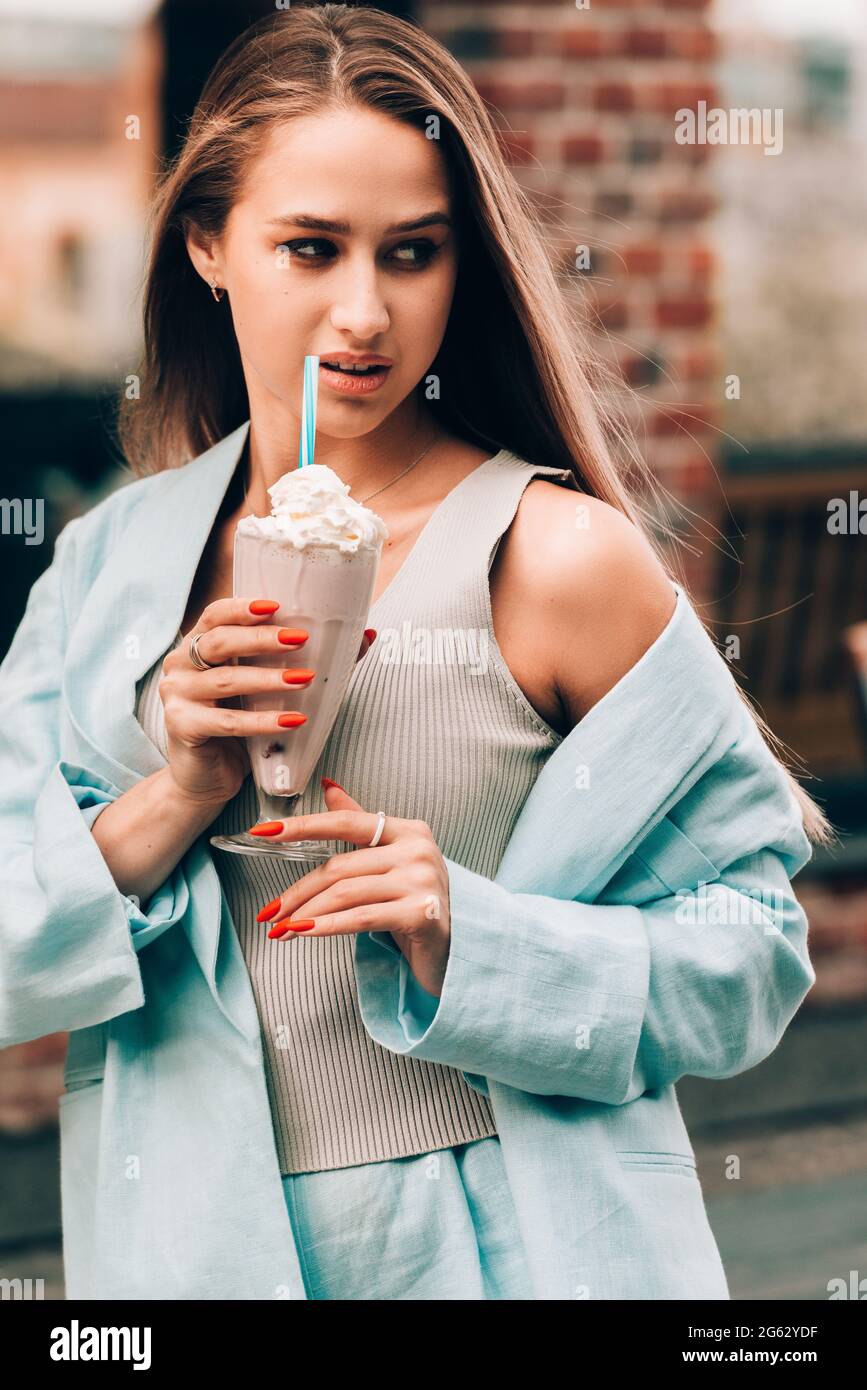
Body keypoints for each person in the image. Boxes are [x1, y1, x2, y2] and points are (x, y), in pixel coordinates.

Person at [0, 3, 829, 1300]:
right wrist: (175, 797)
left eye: (414, 252)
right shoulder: (104, 573)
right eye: (311, 247)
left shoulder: (555, 561)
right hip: (187, 1260)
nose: (365, 312)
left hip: (508, 1253)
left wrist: (475, 938)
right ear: (209, 244)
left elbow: (754, 950)